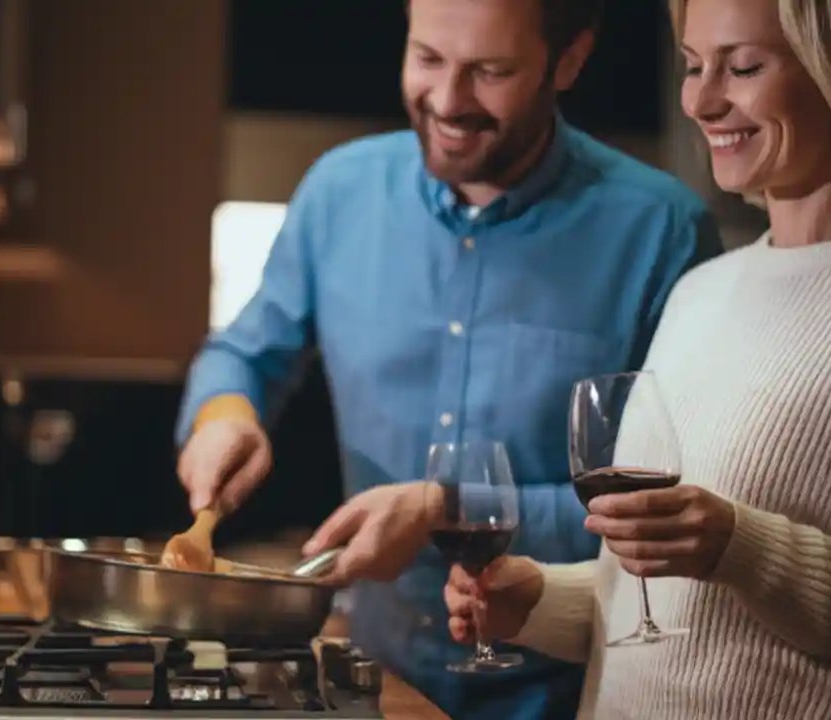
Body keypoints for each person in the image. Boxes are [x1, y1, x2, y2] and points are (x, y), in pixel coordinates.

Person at [175, 0, 723, 717]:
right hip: (376, 683)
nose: (447, 100)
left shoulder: (661, 230)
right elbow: (244, 353)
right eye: (427, 58)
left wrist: (448, 509)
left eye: (489, 71)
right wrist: (224, 417)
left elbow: (665, 498)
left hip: (567, 690)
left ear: (569, 60)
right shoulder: (339, 191)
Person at [436, 0, 831, 717]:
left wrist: (743, 547)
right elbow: (681, 616)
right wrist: (539, 599)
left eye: (742, 67)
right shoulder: (701, 290)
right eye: (693, 66)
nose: (702, 101)